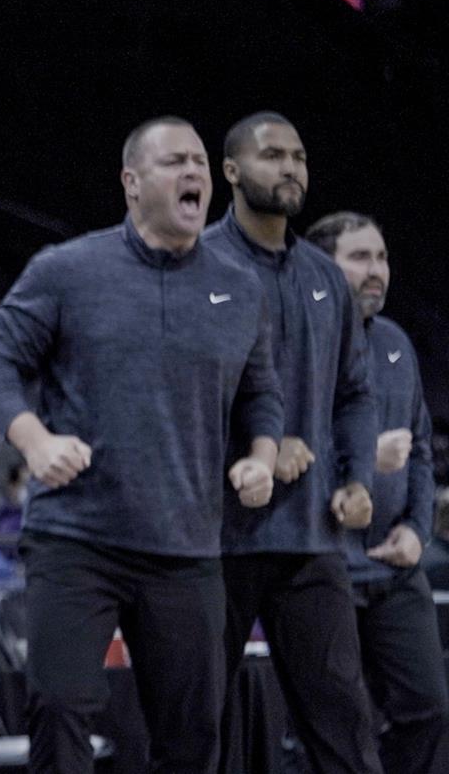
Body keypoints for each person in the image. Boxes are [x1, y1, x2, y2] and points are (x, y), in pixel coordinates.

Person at [0, 116, 282, 774]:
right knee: (60, 709)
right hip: (77, 537)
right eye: (174, 161)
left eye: (200, 162)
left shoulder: (240, 287)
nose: (194, 172)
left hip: (188, 549)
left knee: (194, 736)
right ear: (132, 182)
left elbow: (262, 392)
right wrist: (34, 439)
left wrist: (261, 454)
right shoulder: (66, 270)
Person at [207, 112, 381, 774]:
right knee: (198, 734)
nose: (290, 168)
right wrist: (257, 447)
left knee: (346, 733)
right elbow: (173, 395)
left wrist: (357, 478)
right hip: (213, 540)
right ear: (231, 170)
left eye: (299, 157)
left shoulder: (326, 277)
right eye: (273, 155)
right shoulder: (198, 263)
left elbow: (355, 392)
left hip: (310, 539)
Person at [308, 211, 448, 774]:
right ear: (321, 268)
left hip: (394, 568)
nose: (377, 271)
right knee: (341, 725)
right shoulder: (298, 346)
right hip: (323, 568)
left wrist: (416, 529)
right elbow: (280, 452)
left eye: (382, 257)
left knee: (430, 709)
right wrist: (365, 457)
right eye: (360, 257)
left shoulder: (394, 343)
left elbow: (420, 449)